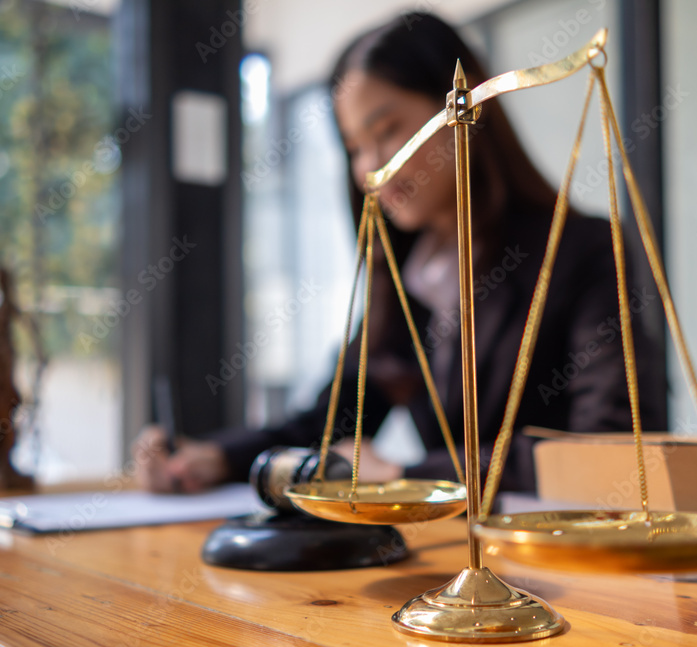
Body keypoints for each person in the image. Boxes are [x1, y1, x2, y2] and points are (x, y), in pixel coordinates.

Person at [133, 11, 666, 495]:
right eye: (353, 147)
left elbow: (610, 449)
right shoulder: (406, 274)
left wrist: (413, 475)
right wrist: (217, 457)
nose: (371, 167)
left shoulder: (583, 250)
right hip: (451, 558)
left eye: (387, 131)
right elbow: (330, 420)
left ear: (463, 113)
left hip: (565, 560)